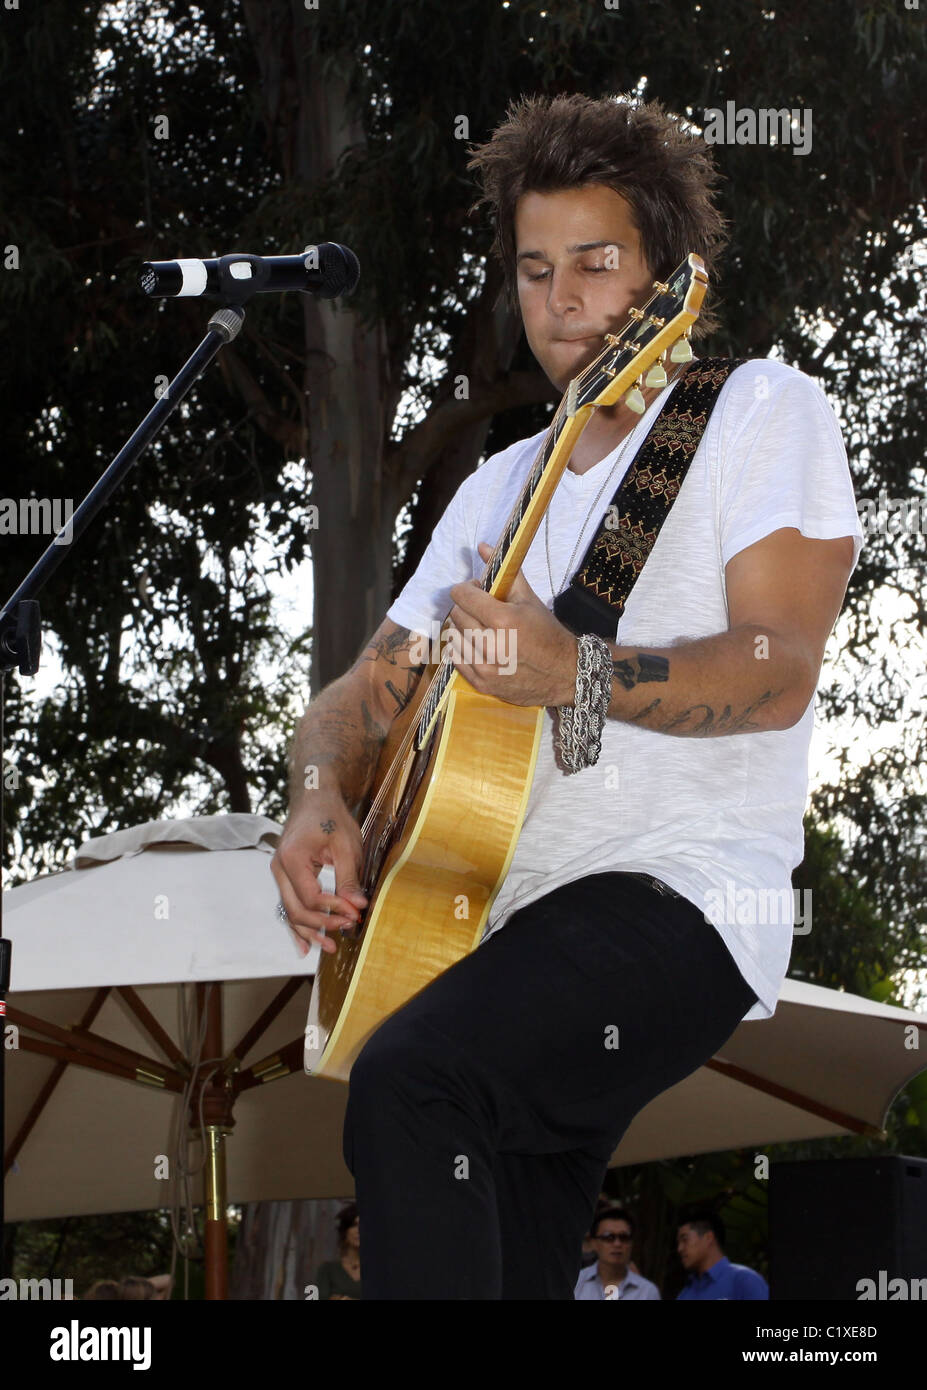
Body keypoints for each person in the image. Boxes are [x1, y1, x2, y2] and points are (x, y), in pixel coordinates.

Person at [272, 92, 862, 1300]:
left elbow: (778, 667)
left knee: (411, 1077)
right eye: (536, 271)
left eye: (598, 262)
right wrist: (322, 789)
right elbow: (360, 695)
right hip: (497, 928)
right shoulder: (495, 491)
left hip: (679, 892)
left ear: (667, 276)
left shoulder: (754, 411)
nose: (565, 301)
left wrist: (575, 671)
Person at [675, 1208, 768, 1300]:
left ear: (708, 1238)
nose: (680, 1248)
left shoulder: (744, 1280)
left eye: (685, 1239)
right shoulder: (686, 1293)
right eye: (678, 1243)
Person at [574, 1206, 660, 1300]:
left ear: (632, 1243)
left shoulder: (647, 1291)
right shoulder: (576, 1283)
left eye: (624, 1237)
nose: (617, 1244)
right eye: (609, 1237)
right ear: (594, 1243)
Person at [314, 1203, 362, 1300]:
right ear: (345, 1231)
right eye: (354, 1225)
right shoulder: (327, 1270)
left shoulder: (380, 1270)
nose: (359, 1230)